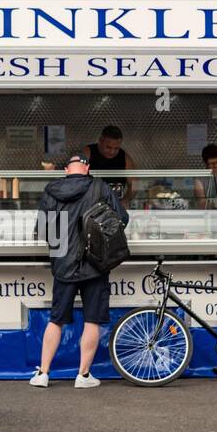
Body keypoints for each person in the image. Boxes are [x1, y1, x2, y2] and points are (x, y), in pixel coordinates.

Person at [30, 152, 128, 389]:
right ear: (87, 169)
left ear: (66, 171)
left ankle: (43, 373)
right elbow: (122, 218)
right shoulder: (99, 187)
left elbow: (43, 231)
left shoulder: (51, 190)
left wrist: (64, 243)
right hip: (95, 264)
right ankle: (83, 376)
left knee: (56, 320)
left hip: (63, 264)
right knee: (92, 320)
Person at [87, 125, 135, 204]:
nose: (112, 152)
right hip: (90, 204)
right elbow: (75, 179)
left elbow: (134, 184)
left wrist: (125, 201)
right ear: (100, 141)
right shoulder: (88, 152)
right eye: (108, 147)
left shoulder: (124, 157)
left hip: (115, 204)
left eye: (116, 148)